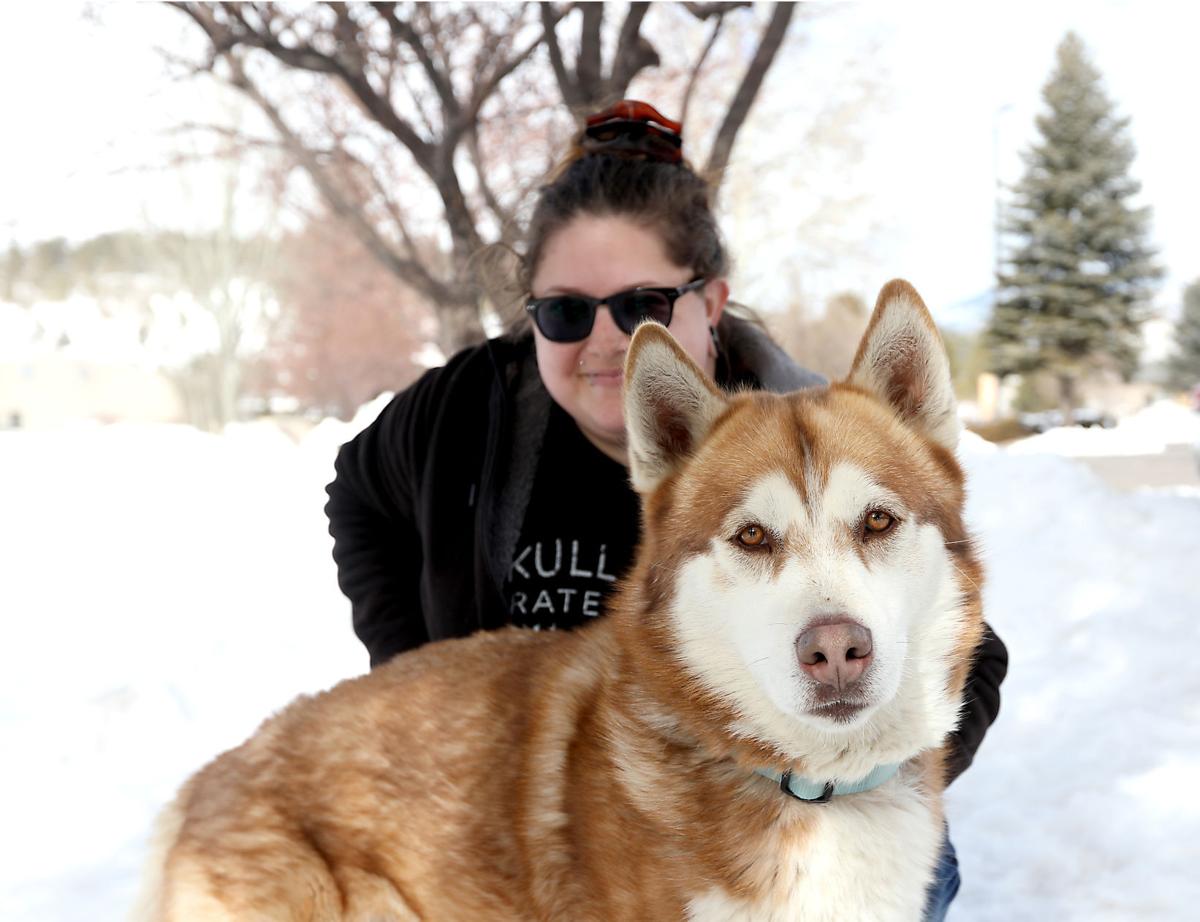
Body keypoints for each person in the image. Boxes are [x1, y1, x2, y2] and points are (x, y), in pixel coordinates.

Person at [324, 99, 1007, 921]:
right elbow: (357, 494)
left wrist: (860, 777)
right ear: (533, 313)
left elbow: (957, 637)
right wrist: (415, 673)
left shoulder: (819, 439)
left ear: (710, 302)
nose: (607, 341)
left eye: (643, 304)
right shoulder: (467, 407)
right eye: (567, 311)